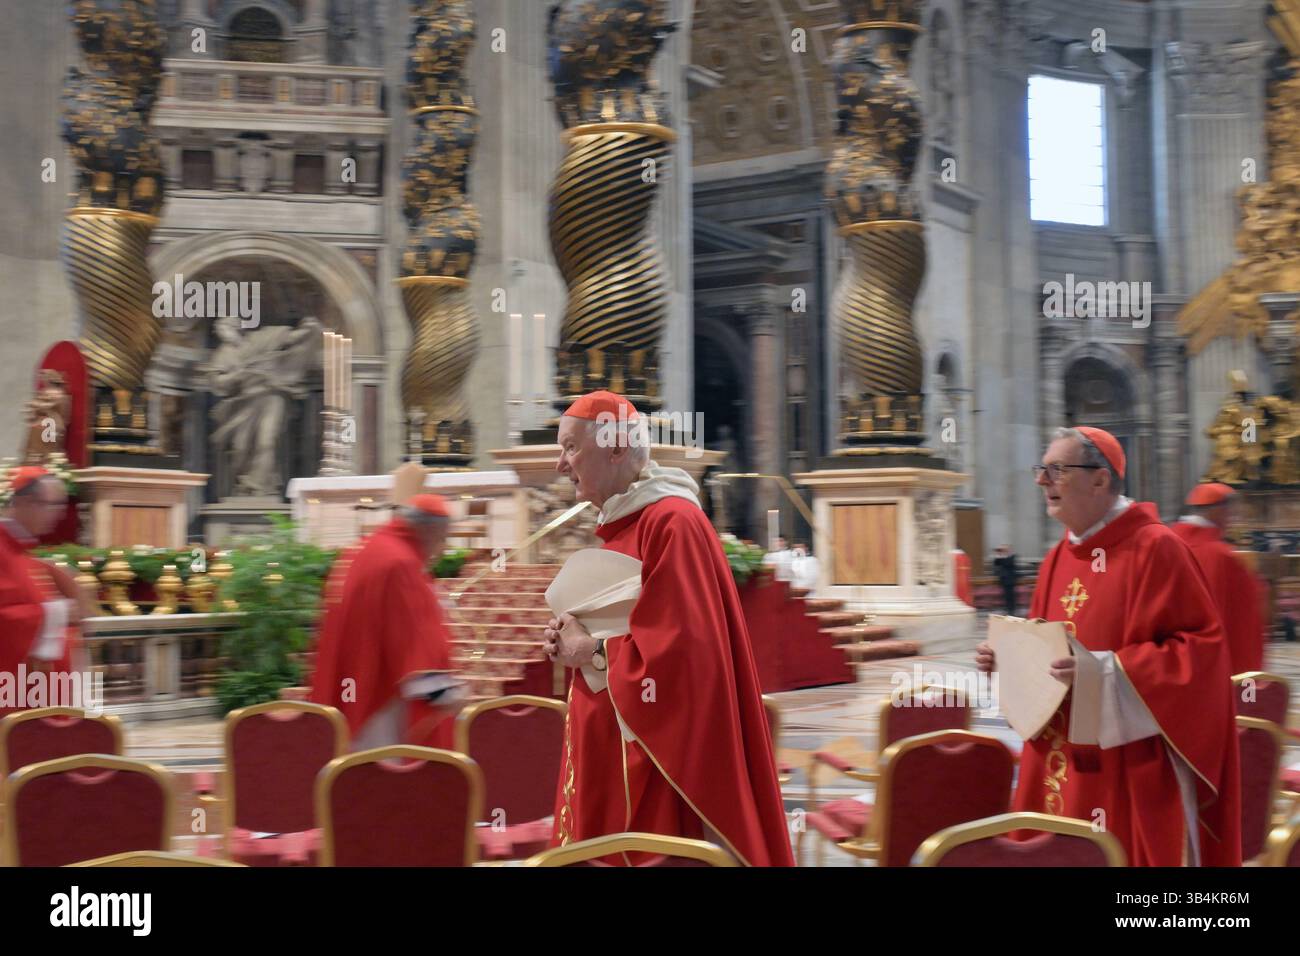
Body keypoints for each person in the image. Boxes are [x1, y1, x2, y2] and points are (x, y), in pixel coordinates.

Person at [543, 390, 793, 866]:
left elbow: (684, 661)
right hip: (606, 746)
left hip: (655, 761)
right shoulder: (625, 522)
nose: (560, 464)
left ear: (615, 448)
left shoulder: (673, 523)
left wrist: (592, 651)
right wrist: (569, 641)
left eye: (571, 447)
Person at [975, 426, 1240, 866]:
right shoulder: (1059, 555)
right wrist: (1006, 659)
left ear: (1100, 479)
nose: (1041, 480)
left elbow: (1201, 653)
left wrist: (1104, 673)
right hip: (1060, 756)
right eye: (1041, 469)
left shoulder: (1157, 548)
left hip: (1127, 764)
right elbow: (1048, 650)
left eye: (1056, 470)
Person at [310, 493, 462, 750]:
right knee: (388, 779)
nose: (443, 548)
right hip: (380, 698)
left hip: (353, 689)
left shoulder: (367, 549)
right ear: (429, 530)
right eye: (443, 538)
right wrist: (445, 693)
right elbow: (415, 643)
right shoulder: (400, 563)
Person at [0, 467, 87, 714]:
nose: (58, 515)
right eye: (53, 505)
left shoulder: (22, 552)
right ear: (26, 502)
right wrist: (57, 612)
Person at [1171, 483, 1266, 674]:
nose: (1232, 519)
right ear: (1218, 511)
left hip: (1170, 661)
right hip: (1211, 666)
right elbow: (1243, 620)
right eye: (1231, 512)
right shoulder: (1223, 557)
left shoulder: (1164, 542)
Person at [991, 544, 1018, 615]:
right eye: (1003, 549)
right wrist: (998, 554)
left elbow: (1008, 563)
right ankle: (1008, 609)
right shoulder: (1002, 557)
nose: (1004, 550)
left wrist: (1002, 556)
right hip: (1004, 580)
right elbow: (996, 563)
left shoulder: (1012, 556)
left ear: (1009, 550)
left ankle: (1012, 610)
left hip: (1010, 580)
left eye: (1005, 549)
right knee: (1005, 596)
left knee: (1011, 595)